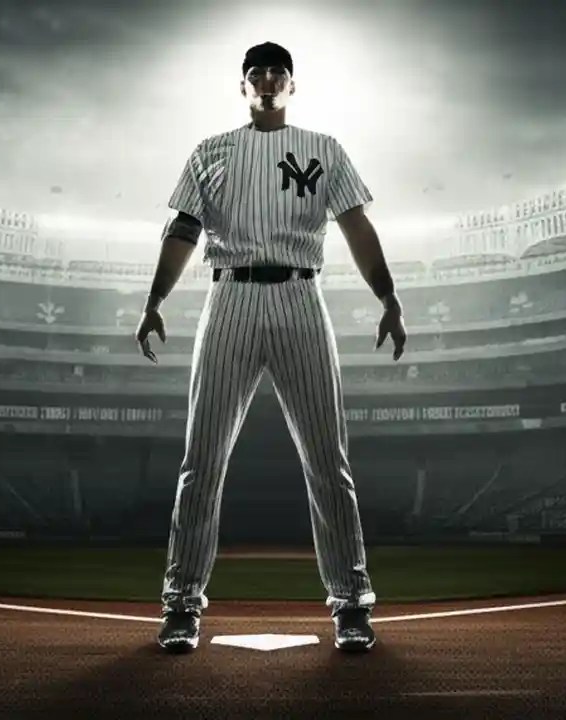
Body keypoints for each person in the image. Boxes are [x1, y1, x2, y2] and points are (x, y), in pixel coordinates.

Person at [135, 41, 406, 653]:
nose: (265, 80)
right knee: (201, 460)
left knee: (327, 460)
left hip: (301, 296)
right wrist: (154, 300)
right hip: (229, 295)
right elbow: (182, 229)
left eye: (276, 72)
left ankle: (351, 605)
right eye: (255, 72)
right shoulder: (210, 151)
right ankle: (181, 604)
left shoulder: (324, 148)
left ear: (291, 84)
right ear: (242, 85)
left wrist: (387, 296)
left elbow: (357, 226)